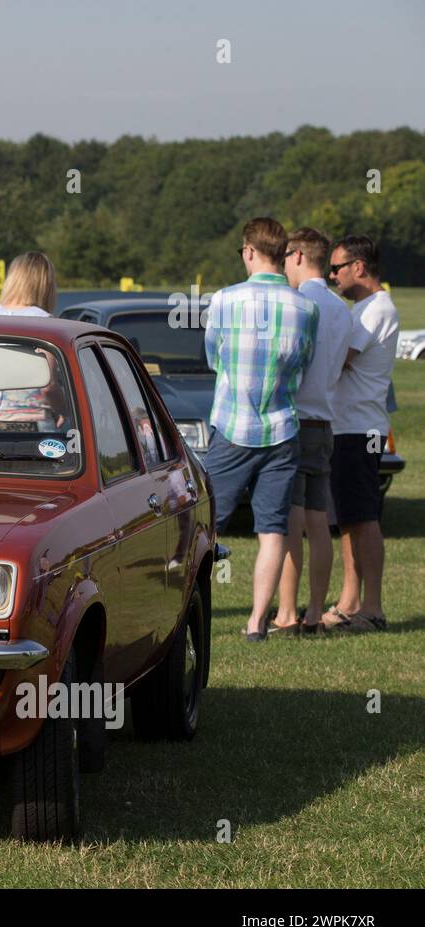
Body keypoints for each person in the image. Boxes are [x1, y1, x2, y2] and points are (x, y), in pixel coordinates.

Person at [202, 218, 318, 642]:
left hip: (232, 424)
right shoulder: (307, 307)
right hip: (283, 427)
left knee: (204, 524)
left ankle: (187, 611)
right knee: (273, 529)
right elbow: (303, 366)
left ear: (250, 251)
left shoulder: (225, 300)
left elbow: (214, 357)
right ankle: (256, 623)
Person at [272, 228, 355, 637]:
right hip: (326, 421)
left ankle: (287, 612)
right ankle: (315, 612)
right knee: (320, 522)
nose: (283, 266)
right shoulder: (342, 309)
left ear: (300, 256)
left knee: (290, 521)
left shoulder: (297, 304)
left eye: (285, 257)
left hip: (295, 420)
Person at [322, 234, 398, 634]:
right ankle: (350, 601)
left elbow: (340, 358)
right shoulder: (363, 309)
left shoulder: (376, 309)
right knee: (349, 519)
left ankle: (373, 607)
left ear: (359, 267)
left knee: (364, 517)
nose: (331, 275)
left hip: (360, 428)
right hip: (347, 427)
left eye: (336, 268)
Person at [0, 251, 66, 427]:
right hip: (31, 423)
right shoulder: (45, 323)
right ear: (45, 284)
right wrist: (65, 411)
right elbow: (48, 386)